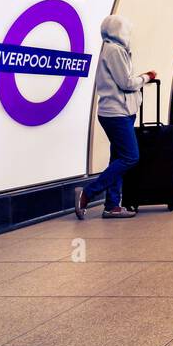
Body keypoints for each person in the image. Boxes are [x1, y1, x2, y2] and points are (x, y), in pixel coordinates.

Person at [74, 16, 156, 220]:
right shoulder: (115, 50)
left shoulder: (112, 49)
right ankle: (88, 193)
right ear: (118, 30)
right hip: (116, 113)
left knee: (118, 159)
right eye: (126, 30)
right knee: (130, 157)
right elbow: (126, 82)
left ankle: (112, 205)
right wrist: (147, 77)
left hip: (119, 112)